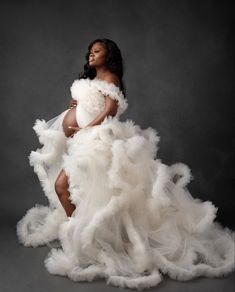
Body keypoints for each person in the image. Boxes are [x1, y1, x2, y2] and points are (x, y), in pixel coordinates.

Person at [16, 38, 235, 290]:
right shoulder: (92, 82)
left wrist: (85, 128)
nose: (90, 54)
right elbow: (87, 105)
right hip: (82, 142)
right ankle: (84, 237)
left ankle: (89, 240)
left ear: (108, 57)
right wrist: (74, 108)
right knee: (79, 191)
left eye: (96, 51)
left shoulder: (111, 79)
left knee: (74, 188)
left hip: (98, 142)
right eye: (89, 51)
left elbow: (110, 109)